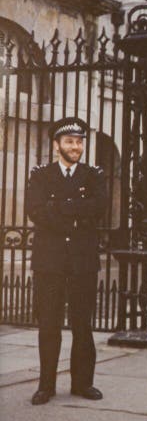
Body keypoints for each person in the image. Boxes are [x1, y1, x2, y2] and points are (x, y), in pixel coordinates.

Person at [25, 117, 107, 405]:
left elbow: (99, 208)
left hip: (83, 262)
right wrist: (75, 214)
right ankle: (46, 386)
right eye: (70, 141)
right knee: (49, 324)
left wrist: (58, 209)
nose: (77, 146)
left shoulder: (93, 175)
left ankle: (83, 384)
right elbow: (34, 210)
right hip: (50, 262)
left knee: (82, 324)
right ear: (57, 145)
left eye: (80, 141)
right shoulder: (40, 175)